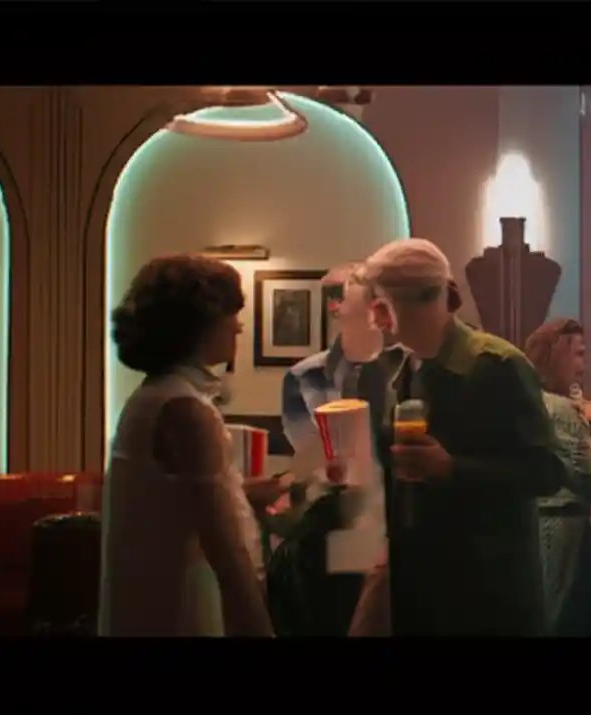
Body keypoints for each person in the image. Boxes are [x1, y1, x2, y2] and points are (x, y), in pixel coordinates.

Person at [359, 238, 566, 636]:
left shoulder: (497, 365)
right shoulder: (393, 369)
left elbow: (547, 471)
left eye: (382, 305)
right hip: (419, 585)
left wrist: (452, 468)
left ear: (425, 303)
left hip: (486, 592)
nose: (376, 319)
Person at [101, 254, 274, 637]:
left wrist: (246, 495)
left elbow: (181, 501)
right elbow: (225, 551)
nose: (239, 325)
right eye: (231, 313)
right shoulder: (185, 410)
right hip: (183, 612)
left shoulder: (155, 395)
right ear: (199, 324)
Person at [268, 263, 402, 637]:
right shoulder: (304, 376)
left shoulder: (404, 368)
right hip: (327, 521)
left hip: (388, 519)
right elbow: (310, 453)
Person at [523, 318, 591, 636]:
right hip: (564, 520)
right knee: (558, 614)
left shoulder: (532, 402)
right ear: (557, 356)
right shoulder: (562, 410)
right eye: (579, 354)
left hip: (536, 517)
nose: (583, 366)